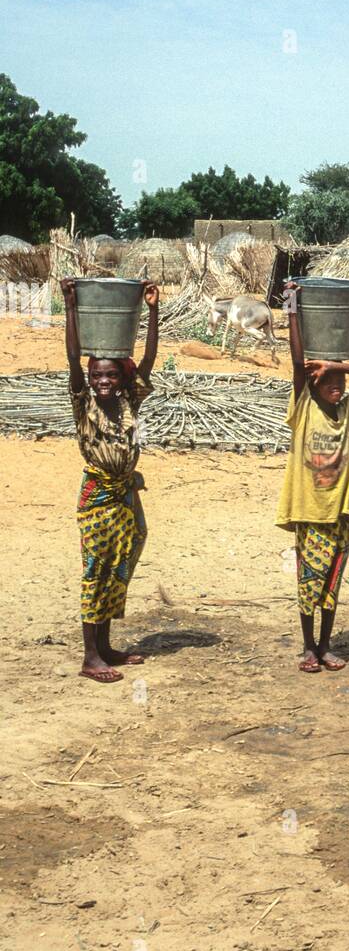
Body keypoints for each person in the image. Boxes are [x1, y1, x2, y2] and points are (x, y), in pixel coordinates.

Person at [275, 282, 349, 672]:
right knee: (309, 582)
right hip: (311, 510)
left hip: (340, 512)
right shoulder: (304, 407)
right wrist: (292, 307)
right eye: (329, 384)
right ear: (312, 385)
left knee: (332, 583)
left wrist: (338, 366)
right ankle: (307, 647)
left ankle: (326, 644)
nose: (337, 389)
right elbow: (297, 359)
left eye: (340, 385)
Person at [61, 278, 159, 682]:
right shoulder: (83, 402)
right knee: (96, 570)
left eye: (110, 375)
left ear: (120, 379)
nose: (104, 381)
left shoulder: (128, 401)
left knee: (118, 565)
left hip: (124, 497)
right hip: (99, 498)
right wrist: (70, 306)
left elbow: (149, 360)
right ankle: (89, 657)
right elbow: (71, 359)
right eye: (97, 375)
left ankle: (105, 646)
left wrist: (152, 311)